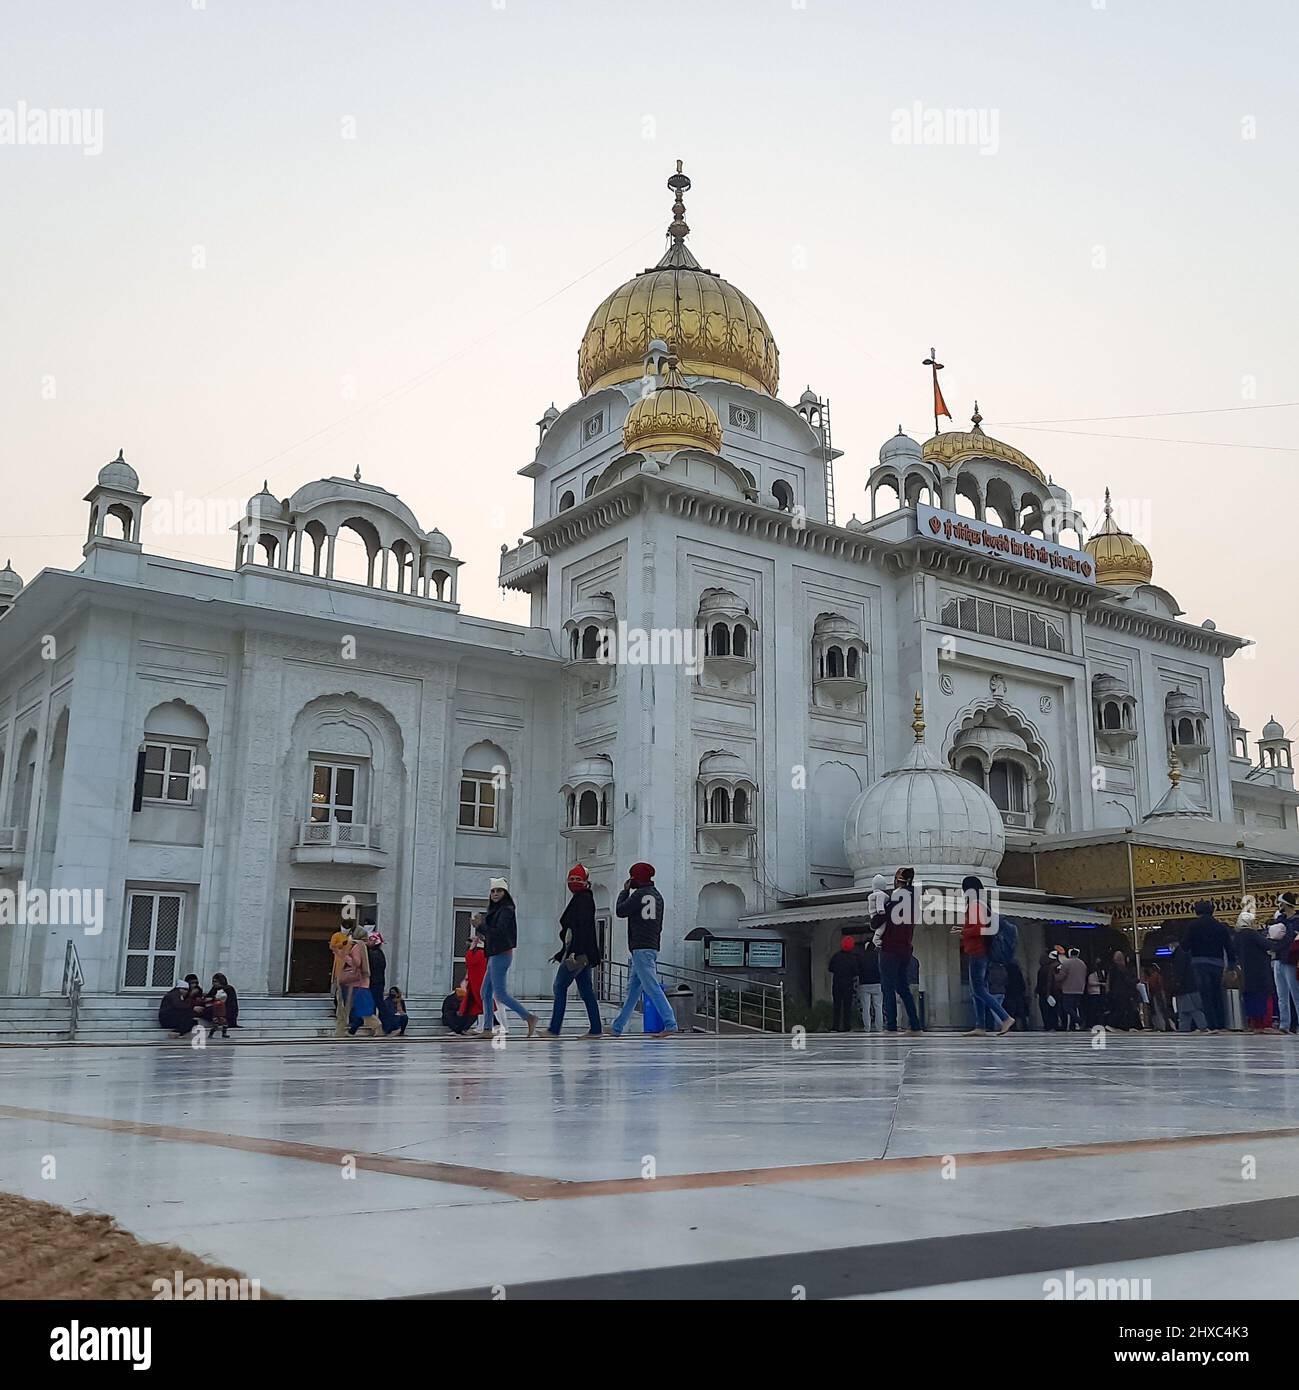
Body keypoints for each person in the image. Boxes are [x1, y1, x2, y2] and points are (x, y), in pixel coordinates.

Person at [611, 862, 678, 1038]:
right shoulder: (657, 896)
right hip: (651, 946)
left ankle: (670, 1024)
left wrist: (624, 891)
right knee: (633, 991)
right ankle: (617, 1027)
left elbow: (620, 911)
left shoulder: (638, 895)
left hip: (640, 948)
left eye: (632, 877)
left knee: (652, 987)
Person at [545, 863, 604, 1038]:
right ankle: (596, 1029)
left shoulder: (583, 899)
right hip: (582, 953)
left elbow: (581, 928)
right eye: (571, 879)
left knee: (560, 986)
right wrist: (560, 953)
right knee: (586, 990)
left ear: (586, 882)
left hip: (578, 953)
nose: (573, 882)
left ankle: (554, 1029)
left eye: (578, 879)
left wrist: (574, 952)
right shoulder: (583, 898)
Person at [478, 879, 539, 1039]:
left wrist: (481, 926)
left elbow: (499, 932)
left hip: (501, 955)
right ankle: (487, 1028)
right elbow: (493, 933)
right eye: (493, 891)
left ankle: (528, 1017)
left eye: (499, 891)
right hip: (495, 954)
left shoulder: (506, 910)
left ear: (505, 893)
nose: (495, 894)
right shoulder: (497, 910)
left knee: (500, 994)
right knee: (485, 992)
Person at [957, 875, 1013, 1036]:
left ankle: (1005, 1018)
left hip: (977, 951)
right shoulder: (983, 904)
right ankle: (980, 1026)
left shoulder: (975, 905)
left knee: (979, 990)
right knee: (977, 990)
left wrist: (963, 931)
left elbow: (978, 928)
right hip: (982, 951)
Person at [877, 867, 923, 1034]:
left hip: (890, 948)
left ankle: (891, 1025)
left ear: (898, 880)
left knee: (888, 987)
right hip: (905, 948)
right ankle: (915, 1024)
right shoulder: (915, 900)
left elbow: (879, 920)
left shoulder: (896, 899)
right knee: (903, 987)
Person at [1186, 900, 1237, 1032]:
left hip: (1199, 962)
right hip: (1217, 963)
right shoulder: (1220, 927)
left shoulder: (1193, 926)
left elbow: (1185, 945)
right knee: (1216, 993)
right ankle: (1221, 1023)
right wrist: (1231, 965)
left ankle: (1211, 1024)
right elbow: (1229, 947)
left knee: (1205, 994)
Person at [1234, 909, 1274, 1033]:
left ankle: (1252, 1023)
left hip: (1245, 971)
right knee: (1261, 997)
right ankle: (1262, 1024)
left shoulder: (1238, 936)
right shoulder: (1252, 934)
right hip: (1258, 971)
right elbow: (1268, 945)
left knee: (1249, 997)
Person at [340, 924, 382, 1038]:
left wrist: (344, 956)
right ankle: (351, 1030)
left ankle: (377, 1025)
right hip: (362, 982)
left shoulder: (357, 946)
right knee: (359, 1008)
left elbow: (356, 962)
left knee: (361, 1008)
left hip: (357, 983)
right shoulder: (363, 946)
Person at [1266, 892, 1299, 1033]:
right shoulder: (1280, 919)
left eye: (1280, 903)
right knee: (1281, 994)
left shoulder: (1297, 920)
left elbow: (1291, 939)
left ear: (1285, 904)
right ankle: (1284, 1024)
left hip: (1290, 959)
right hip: (1278, 959)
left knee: (1296, 993)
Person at [1168, 938, 1208, 1032]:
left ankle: (1202, 1026)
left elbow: (1179, 971)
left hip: (1186, 988)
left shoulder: (1179, 954)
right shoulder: (1184, 953)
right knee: (1185, 1011)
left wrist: (1177, 984)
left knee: (1192, 1010)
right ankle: (1184, 1028)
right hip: (1188, 987)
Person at [460, 924, 490, 1033]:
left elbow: (469, 961)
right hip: (475, 983)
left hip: (478, 983)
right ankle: (478, 1027)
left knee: (480, 1005)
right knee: (476, 1006)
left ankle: (483, 1027)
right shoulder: (480, 953)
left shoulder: (480, 953)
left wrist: (471, 949)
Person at [1105, 950, 1143, 1031]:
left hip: (1117, 993)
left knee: (1123, 1009)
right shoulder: (1122, 969)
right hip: (1123, 993)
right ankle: (1114, 1024)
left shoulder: (1113, 968)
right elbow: (1127, 980)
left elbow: (1110, 982)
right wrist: (1136, 981)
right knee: (1123, 1009)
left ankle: (1128, 1026)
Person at [829, 936, 860, 1032]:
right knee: (847, 1006)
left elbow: (830, 968)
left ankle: (835, 1026)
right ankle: (847, 1026)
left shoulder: (836, 956)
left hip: (837, 983)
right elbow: (856, 971)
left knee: (836, 1005)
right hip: (848, 984)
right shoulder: (853, 958)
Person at [1054, 948, 1087, 1032]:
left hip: (1068, 989)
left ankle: (1079, 1020)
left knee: (1067, 1007)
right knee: (1074, 1007)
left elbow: (1061, 976)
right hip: (1080, 989)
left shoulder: (1066, 963)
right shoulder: (1082, 964)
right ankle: (1072, 1026)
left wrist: (1055, 976)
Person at [857, 940, 883, 1033]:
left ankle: (867, 1028)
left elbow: (858, 969)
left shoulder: (861, 957)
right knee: (878, 1006)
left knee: (866, 1007)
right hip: (877, 983)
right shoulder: (878, 956)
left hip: (864, 984)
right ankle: (879, 1027)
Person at [1003, 958, 1031, 1033]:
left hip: (1009, 993)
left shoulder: (1006, 970)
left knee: (1011, 1011)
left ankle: (1012, 1026)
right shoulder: (1018, 972)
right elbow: (1022, 984)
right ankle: (1024, 1026)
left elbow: (1005, 982)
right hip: (1018, 993)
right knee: (1021, 1011)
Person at [1036, 952, 1061, 1032]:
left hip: (1045, 992)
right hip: (1053, 991)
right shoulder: (1056, 966)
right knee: (1053, 1009)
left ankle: (1049, 1026)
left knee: (1045, 1010)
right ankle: (1054, 1025)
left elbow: (1044, 981)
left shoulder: (1044, 969)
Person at [365, 927, 387, 1010]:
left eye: (370, 940)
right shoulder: (378, 953)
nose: (367, 942)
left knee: (377, 1002)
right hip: (377, 981)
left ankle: (386, 1019)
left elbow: (373, 968)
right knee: (376, 1002)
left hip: (375, 982)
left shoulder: (375, 954)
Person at [1084, 959, 1108, 1028]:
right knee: (1094, 1010)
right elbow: (1090, 982)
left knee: (1099, 1009)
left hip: (1098, 993)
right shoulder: (1093, 974)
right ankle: (1094, 1022)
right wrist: (1101, 984)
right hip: (1095, 993)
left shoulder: (1103, 973)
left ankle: (1099, 1022)